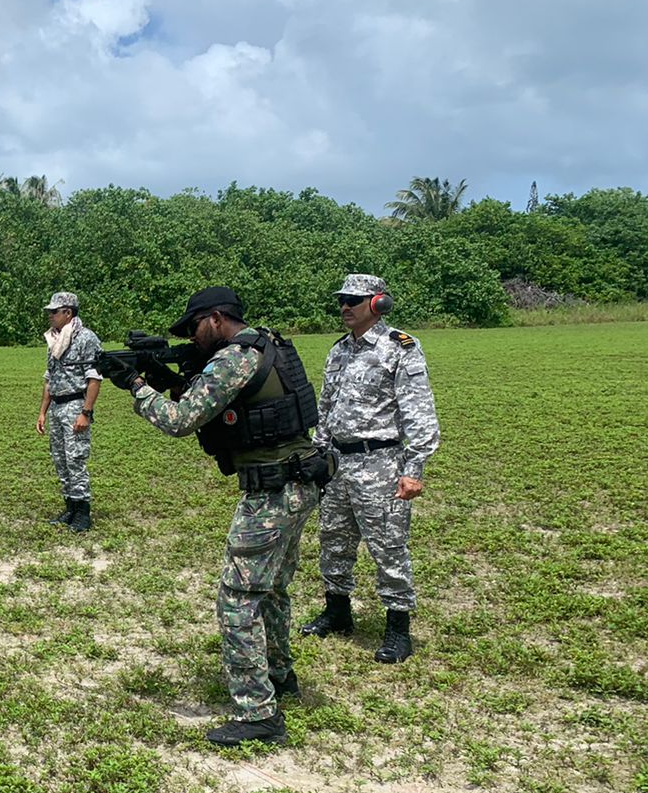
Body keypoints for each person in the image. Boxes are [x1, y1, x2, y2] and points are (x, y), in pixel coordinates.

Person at [113, 286, 331, 746]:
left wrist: (137, 386)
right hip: (299, 481)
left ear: (215, 319)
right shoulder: (265, 345)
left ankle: (258, 713)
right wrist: (161, 371)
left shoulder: (234, 358)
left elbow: (179, 419)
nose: (192, 339)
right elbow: (216, 399)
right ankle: (279, 674)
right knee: (271, 589)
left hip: (272, 491)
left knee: (238, 598)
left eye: (194, 329)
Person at [300, 273, 440, 663]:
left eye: (354, 300)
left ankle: (398, 628)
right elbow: (326, 408)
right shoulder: (338, 350)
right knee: (334, 541)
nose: (345, 307)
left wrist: (414, 467)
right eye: (342, 300)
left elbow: (419, 411)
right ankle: (337, 610)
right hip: (339, 463)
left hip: (381, 461)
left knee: (388, 546)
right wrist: (319, 453)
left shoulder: (400, 347)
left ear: (378, 303)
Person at [36, 292, 101, 532]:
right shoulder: (54, 340)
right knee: (60, 459)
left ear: (68, 313)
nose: (50, 316)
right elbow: (49, 379)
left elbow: (94, 378)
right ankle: (70, 507)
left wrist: (86, 412)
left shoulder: (86, 338)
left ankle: (83, 512)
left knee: (75, 459)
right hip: (57, 406)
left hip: (75, 404)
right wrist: (43, 411)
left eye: (54, 312)